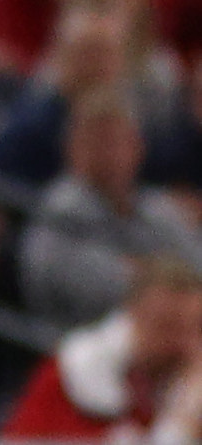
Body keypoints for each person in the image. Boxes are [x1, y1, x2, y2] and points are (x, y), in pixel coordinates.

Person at [19, 90, 202, 331]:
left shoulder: (158, 208)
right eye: (97, 142)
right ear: (72, 149)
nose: (111, 153)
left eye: (119, 141)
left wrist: (148, 272)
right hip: (80, 351)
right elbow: (105, 291)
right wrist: (165, 276)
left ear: (138, 146)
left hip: (168, 349)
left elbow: (196, 269)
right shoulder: (58, 212)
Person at [9, 254, 202, 438]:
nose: (186, 344)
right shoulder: (75, 372)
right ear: (134, 316)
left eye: (195, 329)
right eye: (167, 327)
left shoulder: (179, 379)